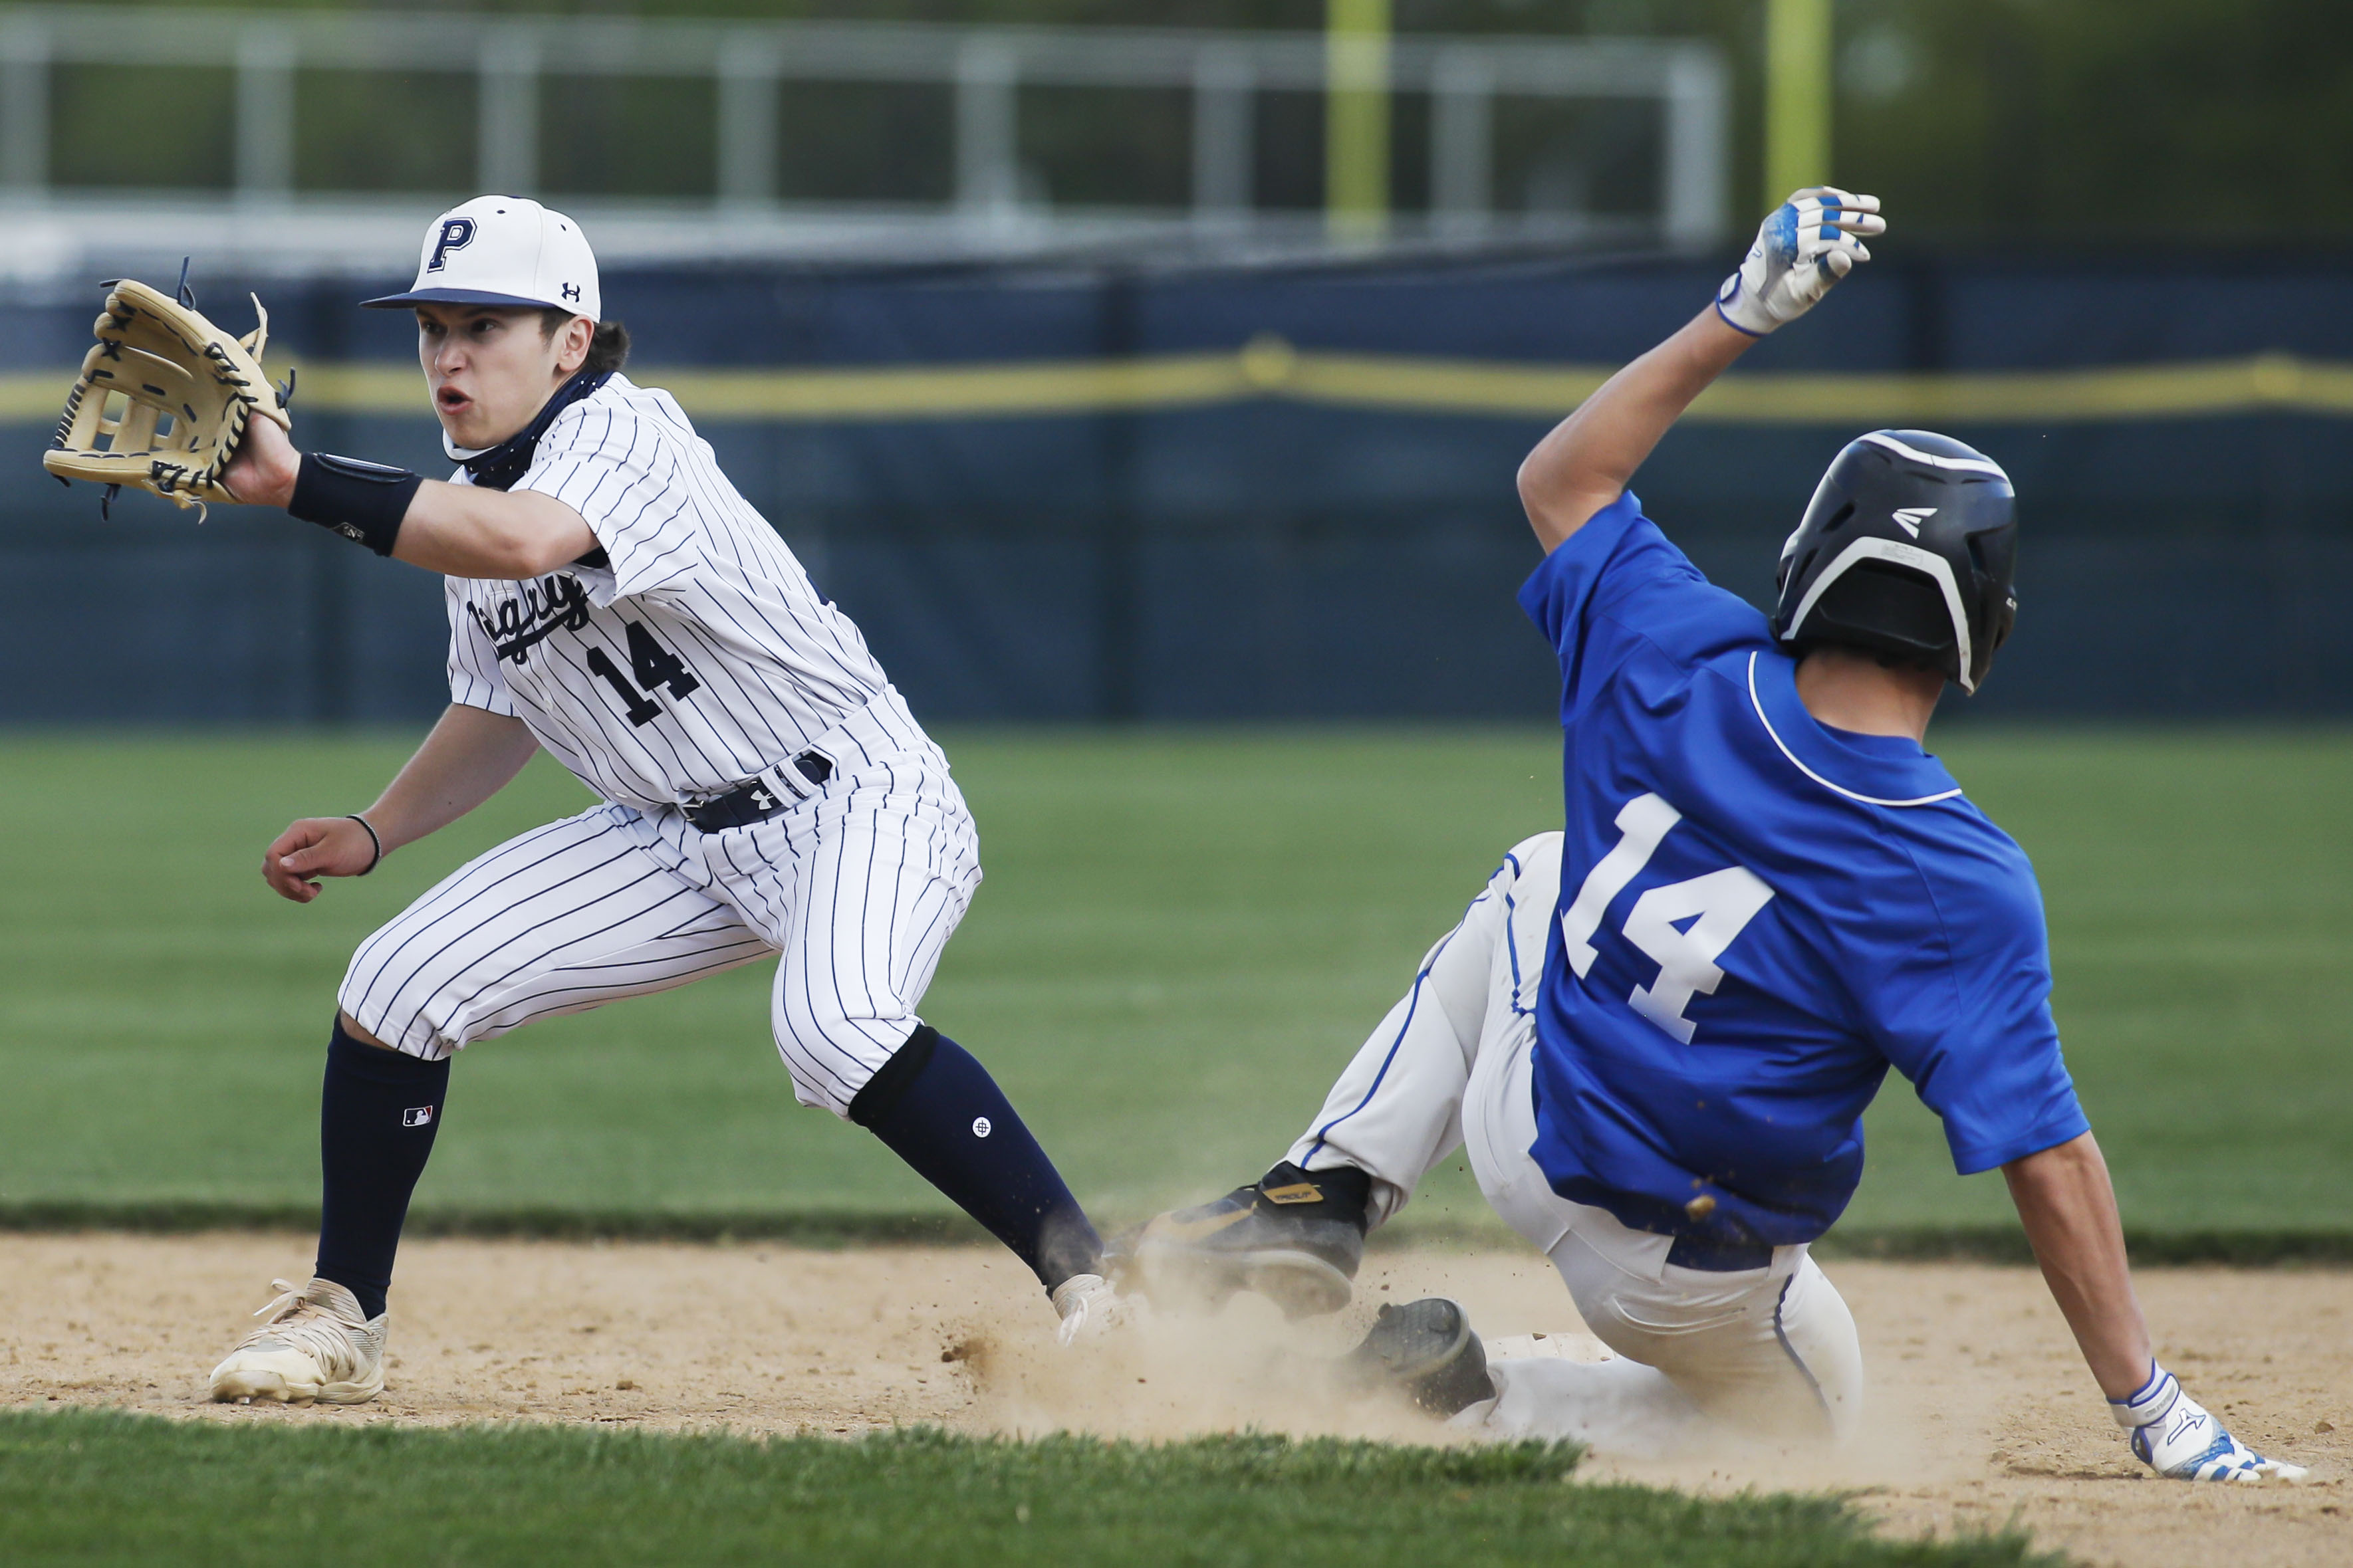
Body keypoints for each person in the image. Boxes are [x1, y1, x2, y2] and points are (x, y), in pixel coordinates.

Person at [1122, 189, 2307, 1482]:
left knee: (1540, 869)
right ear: (1982, 635)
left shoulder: (1678, 643)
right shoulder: (1958, 873)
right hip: (1689, 1279)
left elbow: (1561, 477)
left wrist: (1737, 316)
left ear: (1806, 568)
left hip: (1527, 1121)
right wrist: (2154, 1408)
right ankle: (1479, 1401)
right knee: (1820, 1411)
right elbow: (2051, 1159)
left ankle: (1330, 1188)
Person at [201, 195, 1117, 1406]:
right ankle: (343, 1316)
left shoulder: (630, 441)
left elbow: (528, 544)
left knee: (836, 1029)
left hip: (854, 792)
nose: (448, 355)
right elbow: (502, 706)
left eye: (485, 325)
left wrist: (300, 481)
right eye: (432, 328)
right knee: (394, 984)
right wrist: (379, 828)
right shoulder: (471, 505)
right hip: (673, 835)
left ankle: (1101, 1291)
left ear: (570, 344)